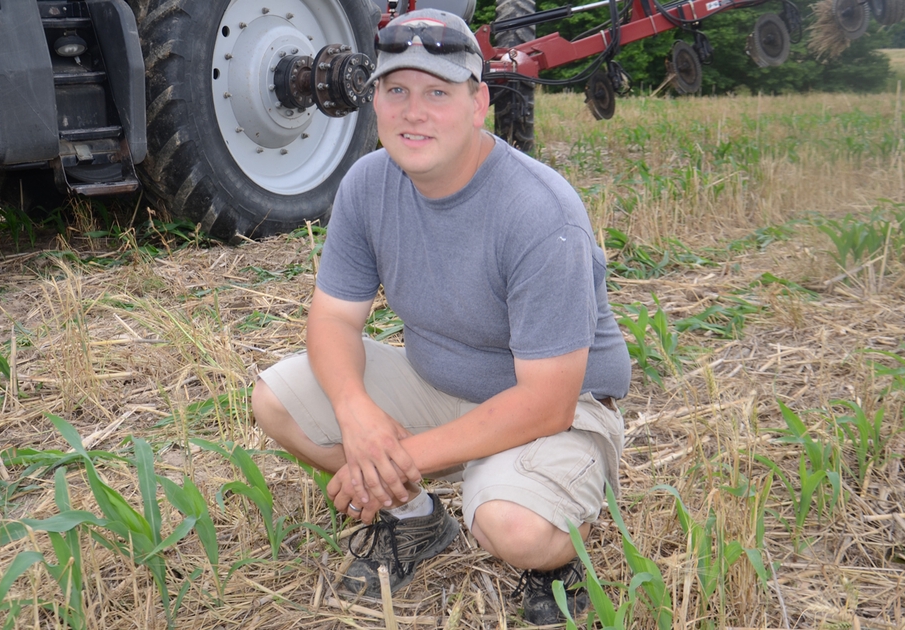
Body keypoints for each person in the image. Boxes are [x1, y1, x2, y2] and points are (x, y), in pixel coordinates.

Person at [251, 8, 630, 625]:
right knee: (276, 400)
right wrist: (359, 417)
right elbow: (333, 321)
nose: (413, 110)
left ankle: (554, 557)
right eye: (396, 89)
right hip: (441, 384)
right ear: (374, 100)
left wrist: (394, 457)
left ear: (479, 103)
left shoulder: (539, 212)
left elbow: (547, 402)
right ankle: (415, 518)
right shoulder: (366, 184)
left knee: (514, 527)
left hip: (557, 410)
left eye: (438, 92)